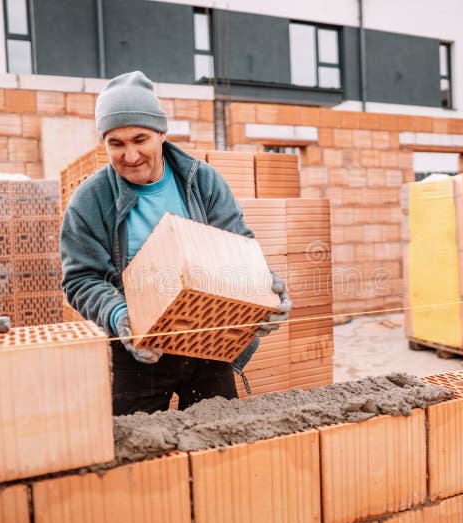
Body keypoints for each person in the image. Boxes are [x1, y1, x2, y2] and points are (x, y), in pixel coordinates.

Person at [60, 71, 291, 416]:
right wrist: (121, 315)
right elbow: (80, 279)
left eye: (141, 139)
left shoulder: (201, 182)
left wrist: (263, 288)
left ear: (162, 134)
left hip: (207, 341)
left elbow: (236, 245)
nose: (131, 155)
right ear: (104, 143)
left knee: (217, 443)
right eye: (116, 143)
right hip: (138, 352)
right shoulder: (90, 200)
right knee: (139, 453)